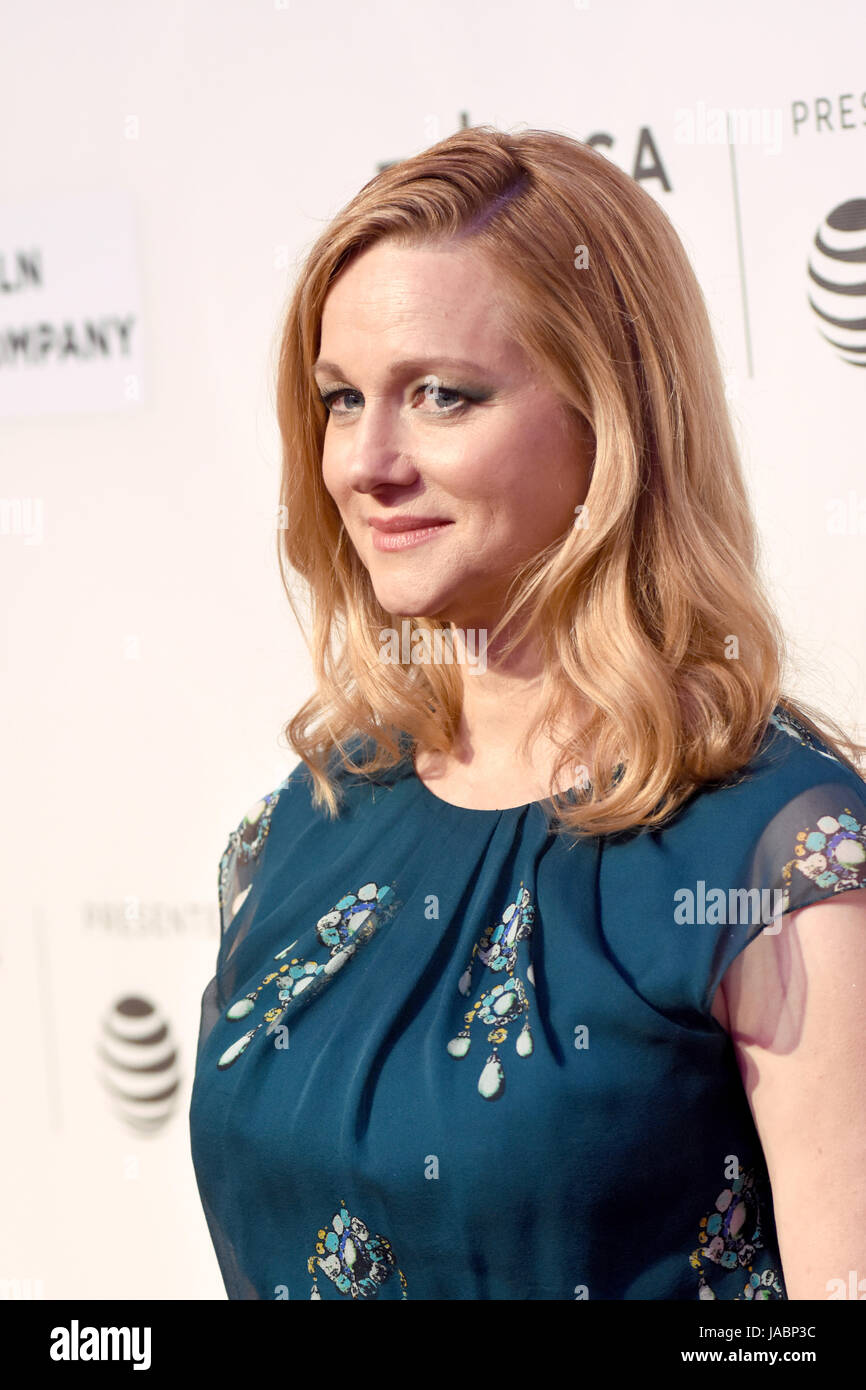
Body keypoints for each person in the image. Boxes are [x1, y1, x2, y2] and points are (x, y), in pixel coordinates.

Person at [188, 126, 866, 1301]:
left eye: (441, 395)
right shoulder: (293, 828)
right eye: (341, 400)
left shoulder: (778, 863)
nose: (367, 461)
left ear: (611, 415)